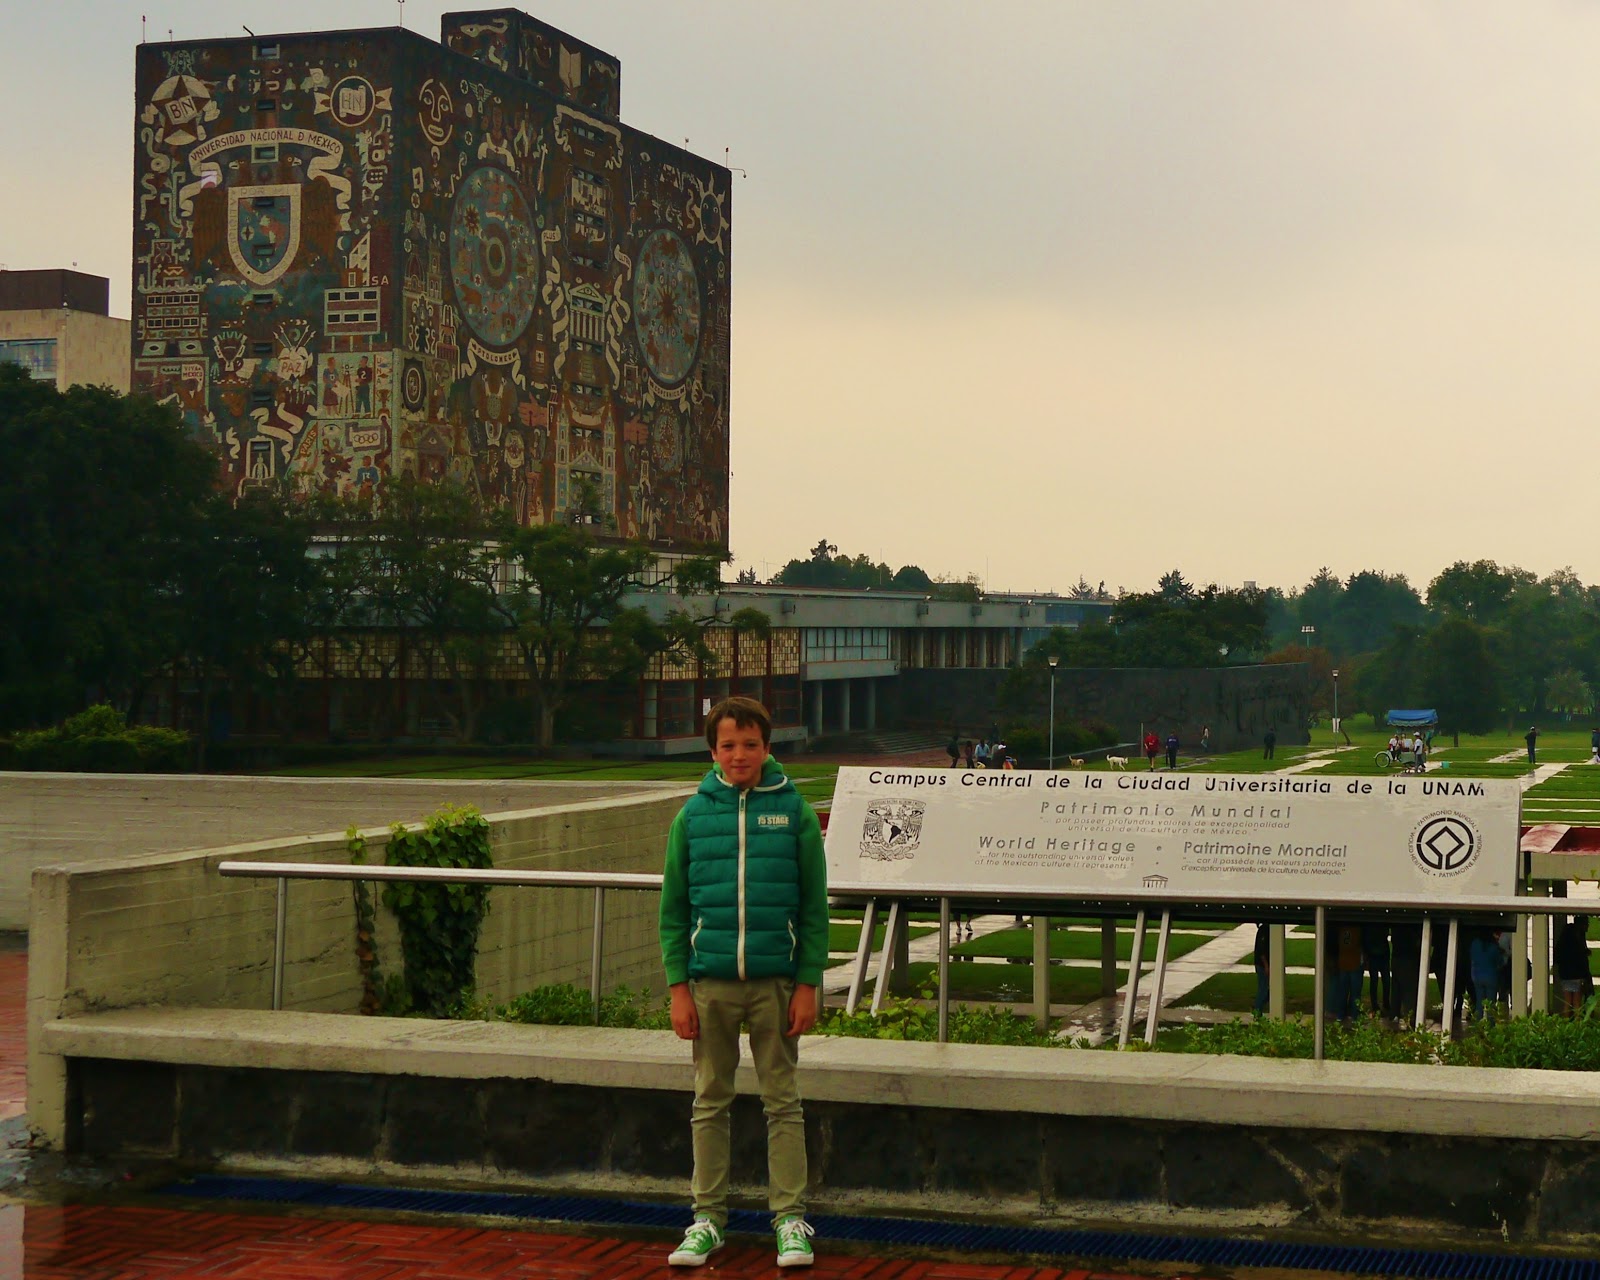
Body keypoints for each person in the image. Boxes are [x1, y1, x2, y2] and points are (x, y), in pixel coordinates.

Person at [660, 697, 827, 1269]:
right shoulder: (692, 816)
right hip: (710, 987)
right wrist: (679, 988)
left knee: (783, 1101)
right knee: (710, 1101)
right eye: (728, 745)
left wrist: (808, 984)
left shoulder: (795, 812)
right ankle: (707, 1218)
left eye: (749, 744)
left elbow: (813, 909)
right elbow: (673, 911)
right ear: (712, 752)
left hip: (775, 985)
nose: (739, 755)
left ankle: (789, 1221)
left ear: (766, 747)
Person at [1554, 916, 1593, 1014]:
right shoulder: (1579, 937)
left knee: (1567, 1002)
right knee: (1577, 1002)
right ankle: (1577, 1024)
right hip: (1577, 974)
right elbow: (1581, 957)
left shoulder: (1566, 935)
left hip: (1565, 974)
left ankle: (1565, 1023)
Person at [1252, 922, 1270, 1018]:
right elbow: (1261, 950)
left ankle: (1258, 1007)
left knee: (1267, 990)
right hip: (1262, 965)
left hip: (1264, 964)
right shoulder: (1264, 930)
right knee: (1262, 989)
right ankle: (1257, 1011)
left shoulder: (1266, 929)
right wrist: (1266, 966)